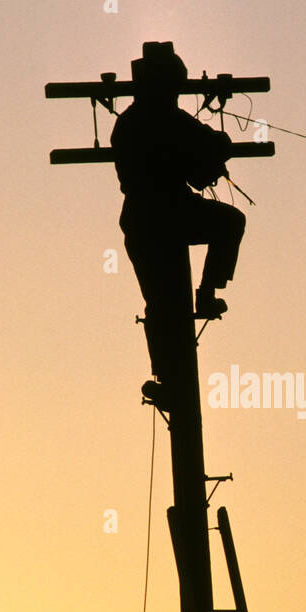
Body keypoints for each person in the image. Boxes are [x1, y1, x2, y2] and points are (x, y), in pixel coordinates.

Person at [111, 42, 245, 410]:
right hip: (165, 213)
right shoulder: (165, 119)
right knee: (229, 223)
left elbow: (197, 158)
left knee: (160, 304)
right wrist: (218, 148)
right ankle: (206, 293)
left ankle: (167, 379)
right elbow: (206, 153)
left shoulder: (130, 122)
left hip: (142, 221)